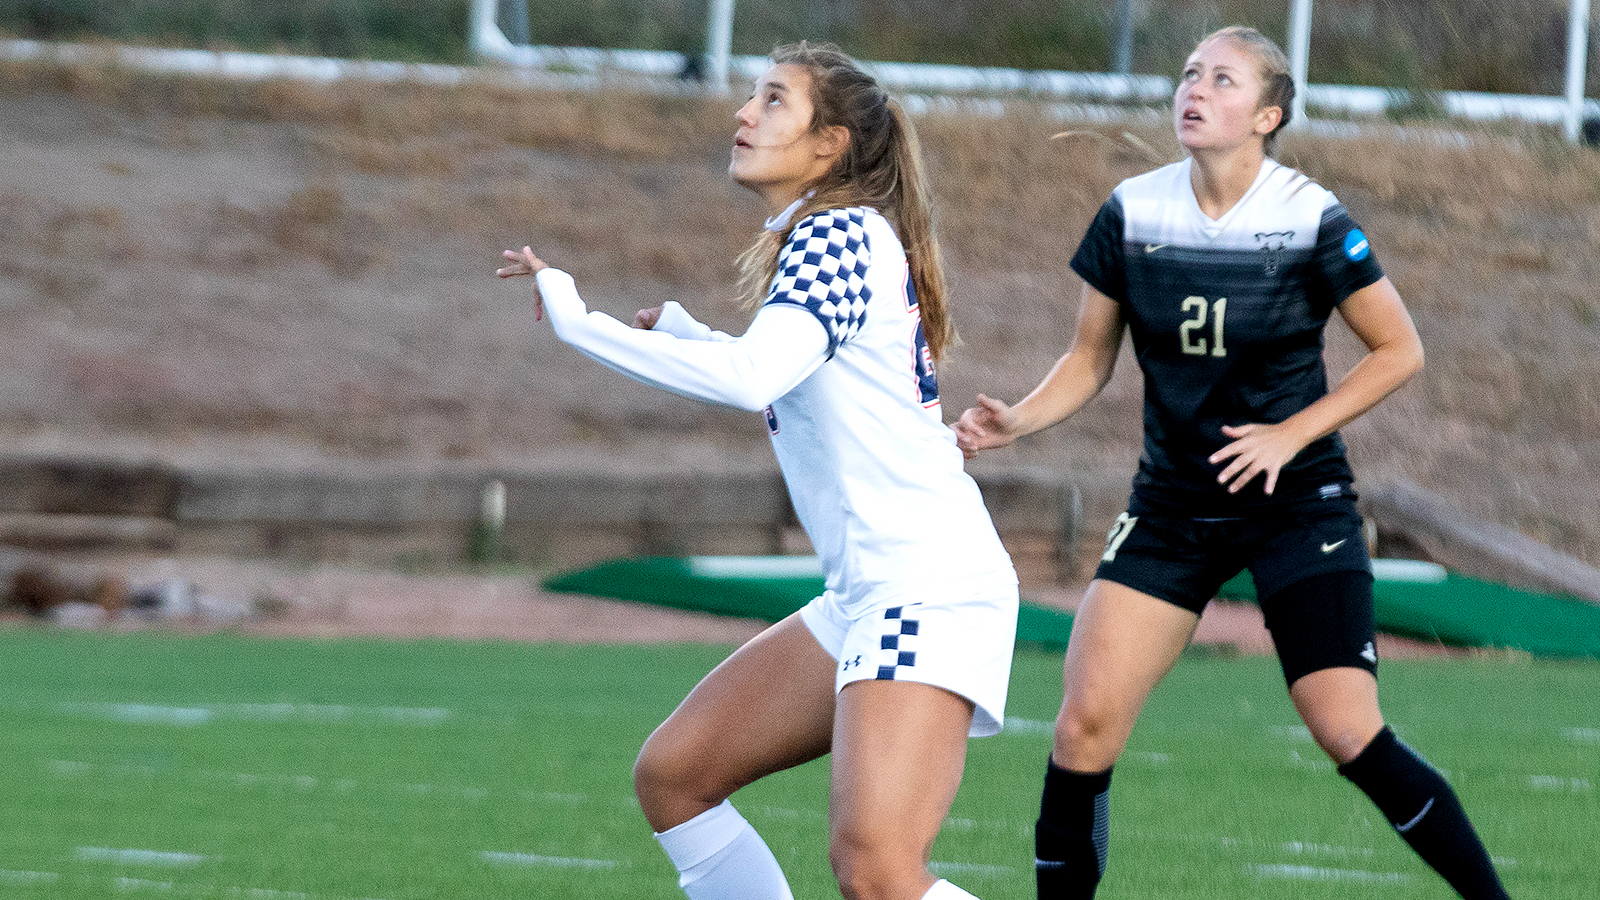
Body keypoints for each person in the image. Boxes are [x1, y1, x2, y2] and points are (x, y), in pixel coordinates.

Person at [954, 25, 1511, 900]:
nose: (1196, 90)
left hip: (1297, 506)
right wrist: (1019, 419)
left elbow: (1400, 350)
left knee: (1345, 729)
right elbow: (1089, 359)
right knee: (1082, 728)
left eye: (1222, 79)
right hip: (1172, 506)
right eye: (1189, 74)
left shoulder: (1310, 216)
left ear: (1267, 115)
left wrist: (1291, 435)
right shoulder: (1132, 211)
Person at [498, 42, 1019, 900]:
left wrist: (579, 321)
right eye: (752, 95)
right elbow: (789, 378)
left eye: (774, 99)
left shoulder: (839, 234)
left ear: (830, 145)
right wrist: (689, 337)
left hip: (925, 591)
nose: (744, 113)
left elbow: (753, 377)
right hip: (870, 592)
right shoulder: (828, 233)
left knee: (878, 872)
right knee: (676, 776)